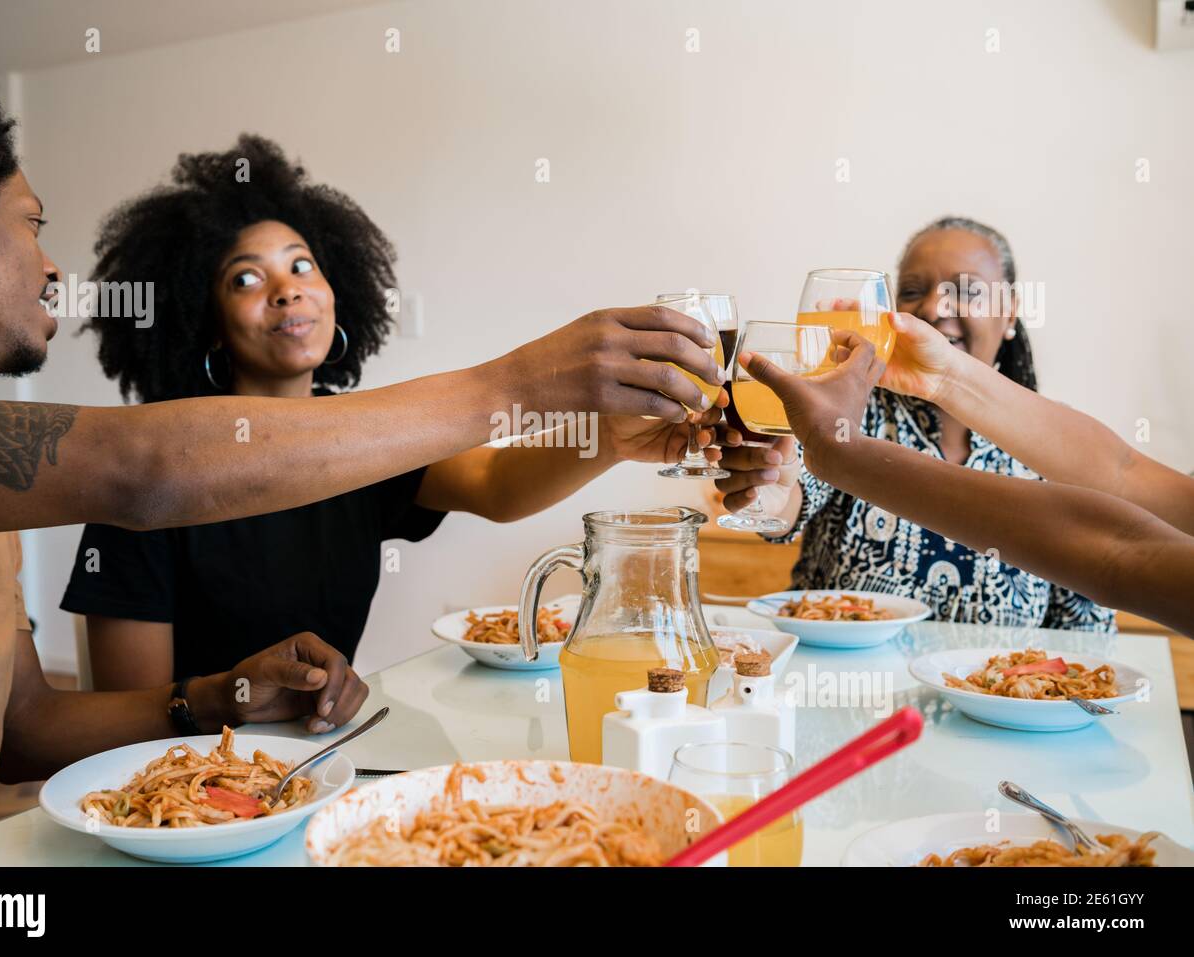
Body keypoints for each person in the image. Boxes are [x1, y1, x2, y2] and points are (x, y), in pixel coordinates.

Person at [0, 46, 724, 856]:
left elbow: (23, 729)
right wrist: (518, 383)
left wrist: (222, 696)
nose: (51, 266)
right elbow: (146, 474)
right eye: (33, 224)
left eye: (302, 265)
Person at [59, 135, 727, 691]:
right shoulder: (153, 472)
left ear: (336, 289)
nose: (288, 288)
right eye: (246, 278)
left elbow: (495, 485)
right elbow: (132, 722)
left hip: (330, 763)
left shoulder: (361, 441)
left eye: (301, 265)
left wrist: (612, 437)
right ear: (204, 324)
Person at [714, 217, 1114, 631]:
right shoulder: (854, 406)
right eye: (911, 291)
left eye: (966, 291)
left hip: (997, 693)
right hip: (845, 687)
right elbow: (791, 498)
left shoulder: (1053, 444)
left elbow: (1086, 630)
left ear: (1010, 312)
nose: (933, 308)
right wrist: (772, 491)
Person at [727, 325, 1194, 637]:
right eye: (914, 290)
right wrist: (947, 376)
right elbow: (1120, 472)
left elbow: (1116, 553)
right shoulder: (863, 412)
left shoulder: (845, 430)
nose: (937, 305)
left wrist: (841, 454)